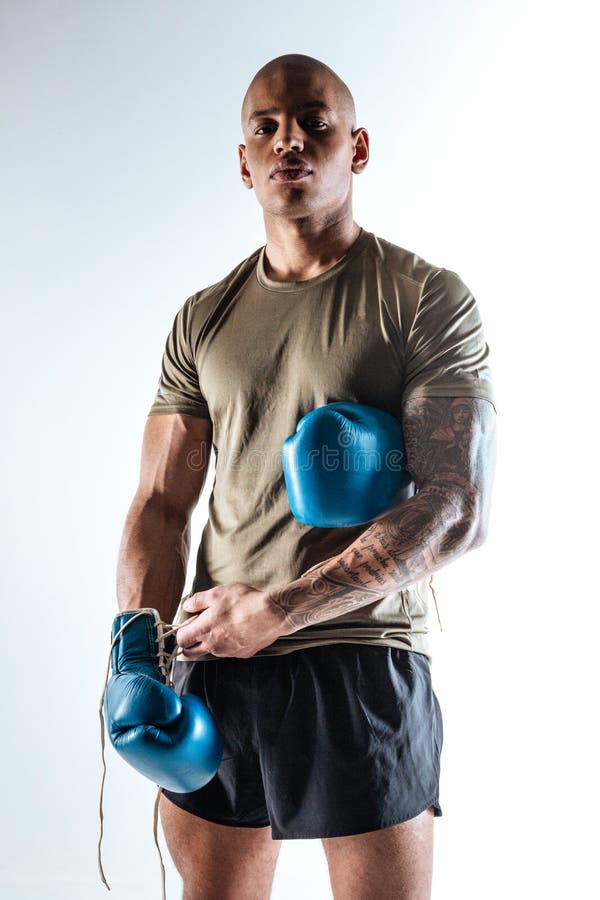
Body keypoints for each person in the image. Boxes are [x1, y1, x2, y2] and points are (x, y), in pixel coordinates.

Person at [116, 53, 496, 900]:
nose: (289, 140)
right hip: (216, 661)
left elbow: (457, 505)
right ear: (243, 161)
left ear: (356, 148)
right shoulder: (203, 318)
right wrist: (133, 655)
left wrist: (279, 610)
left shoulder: (423, 298)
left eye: (313, 122)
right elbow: (161, 501)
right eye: (266, 127)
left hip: (359, 657)